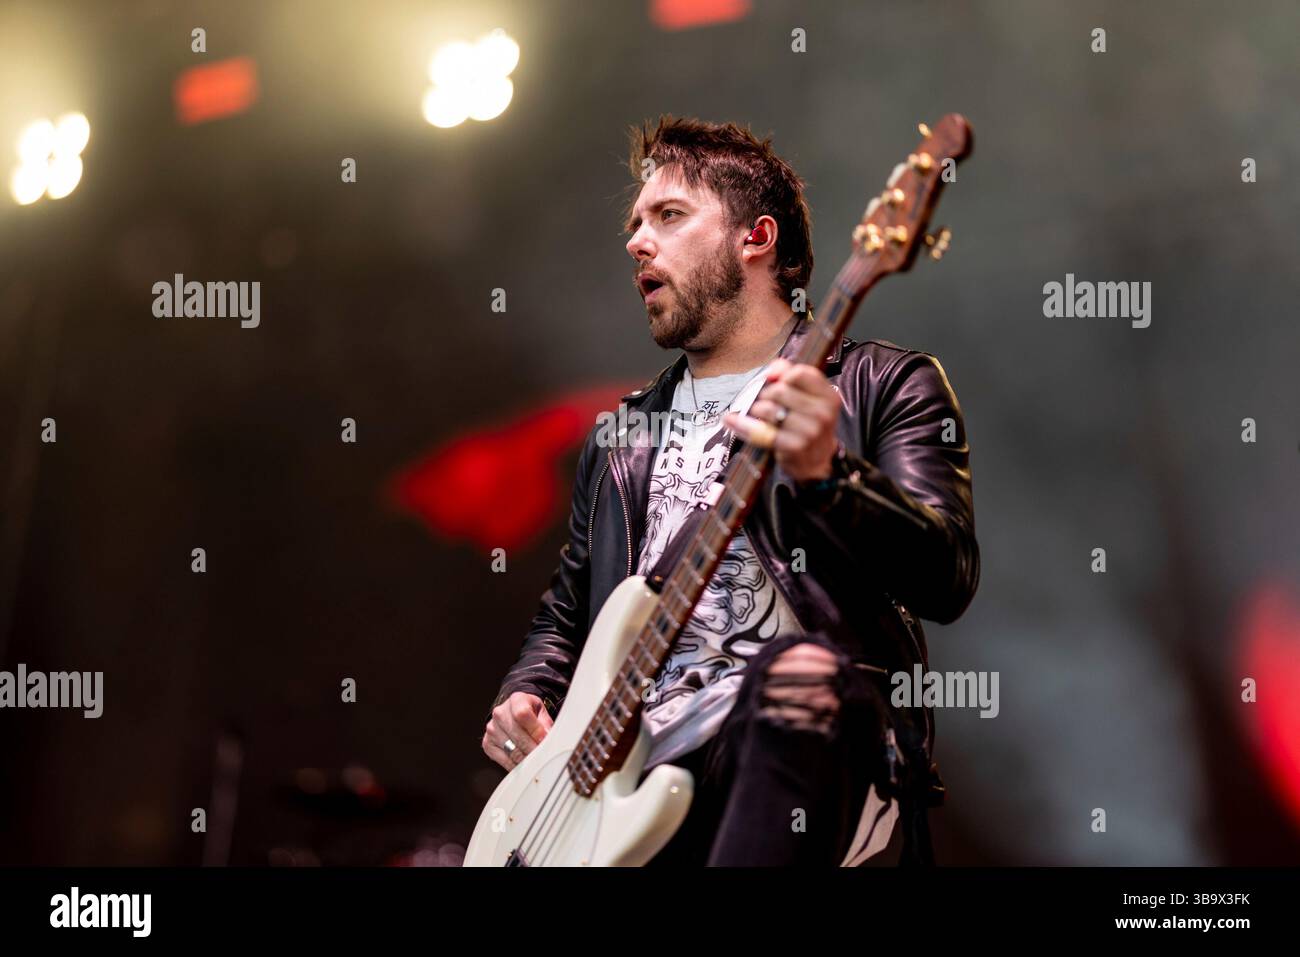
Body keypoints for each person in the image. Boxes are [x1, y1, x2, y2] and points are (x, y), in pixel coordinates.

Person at [482, 116, 979, 866]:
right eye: (635, 223)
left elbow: (945, 574)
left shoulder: (884, 386)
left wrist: (829, 477)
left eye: (669, 216)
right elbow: (568, 609)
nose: (636, 241)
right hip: (622, 784)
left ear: (756, 238)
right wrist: (525, 693)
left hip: (791, 750)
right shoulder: (623, 434)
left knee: (801, 681)